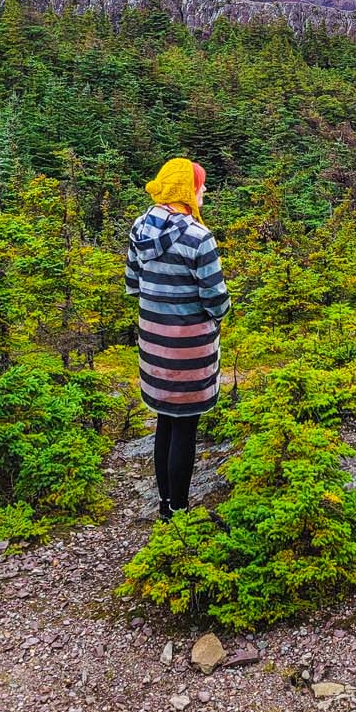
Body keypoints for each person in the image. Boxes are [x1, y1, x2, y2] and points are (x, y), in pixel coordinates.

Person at [124, 156, 230, 518]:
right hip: (189, 348)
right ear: (188, 189)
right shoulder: (199, 238)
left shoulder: (139, 228)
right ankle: (179, 511)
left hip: (153, 344)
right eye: (201, 185)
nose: (205, 191)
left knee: (165, 420)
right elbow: (216, 300)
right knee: (185, 425)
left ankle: (165, 503)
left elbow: (132, 285)